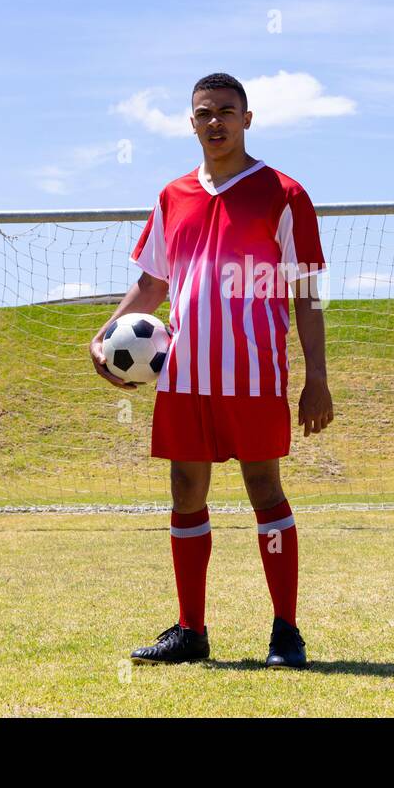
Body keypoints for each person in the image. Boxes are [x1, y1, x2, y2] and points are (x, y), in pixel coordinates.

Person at [90, 72, 333, 668]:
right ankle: (191, 632)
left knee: (264, 489)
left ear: (248, 119)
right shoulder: (173, 195)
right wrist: (102, 339)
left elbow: (307, 292)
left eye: (228, 110)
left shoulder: (284, 193)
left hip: (252, 373)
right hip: (183, 374)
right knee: (185, 491)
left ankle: (285, 631)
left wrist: (317, 378)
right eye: (205, 112)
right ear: (191, 122)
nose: (216, 121)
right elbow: (153, 282)